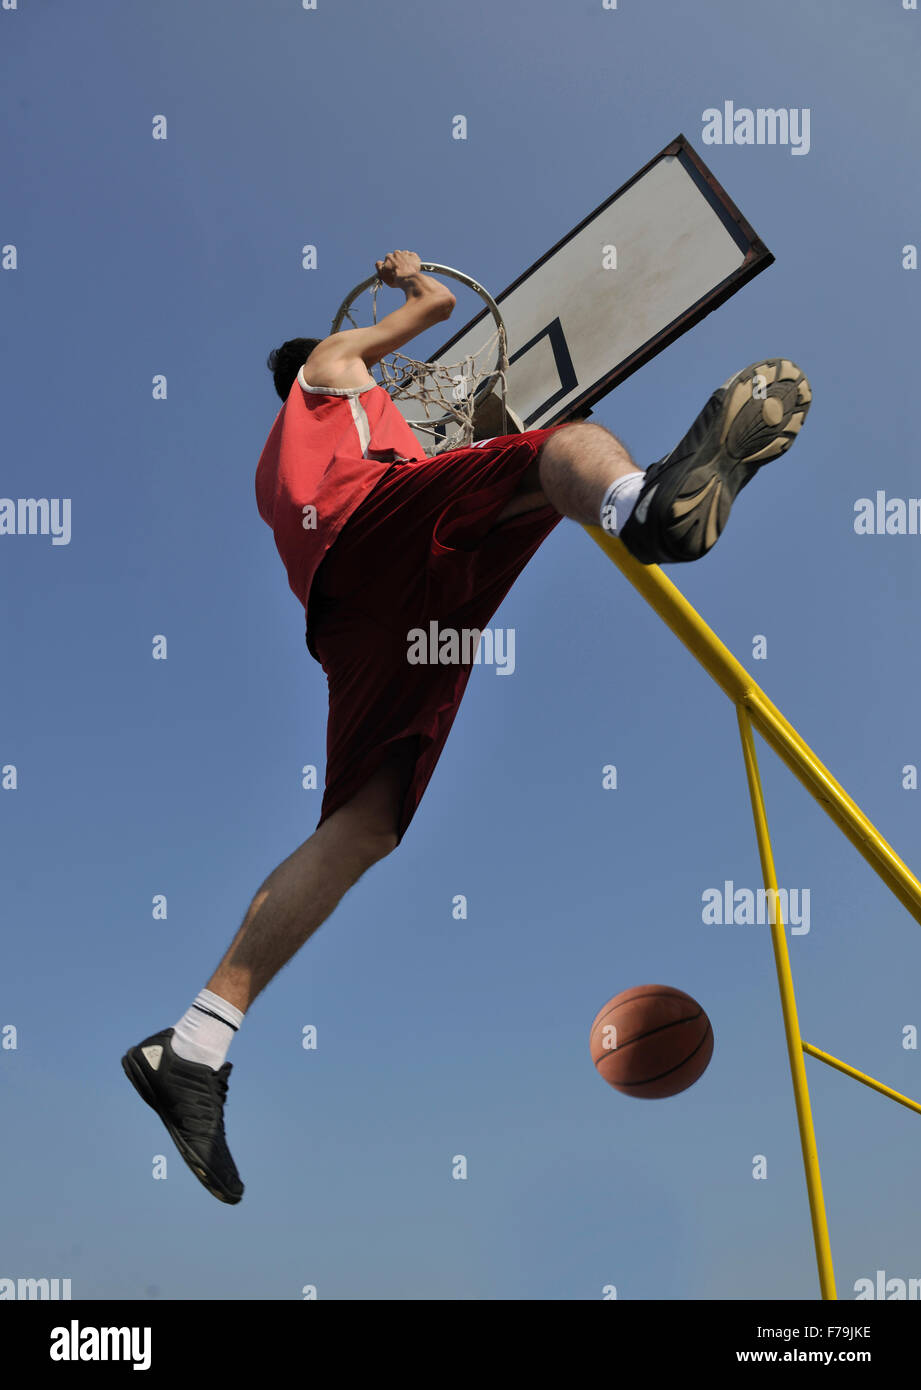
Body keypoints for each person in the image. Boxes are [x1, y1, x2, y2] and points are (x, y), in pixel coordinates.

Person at [122, 251, 812, 1203]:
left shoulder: (275, 466)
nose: (386, 379)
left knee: (365, 826)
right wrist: (409, 277)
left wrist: (462, 446)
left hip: (353, 616)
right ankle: (637, 504)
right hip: (378, 535)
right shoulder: (331, 367)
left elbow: (406, 479)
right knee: (554, 444)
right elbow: (440, 304)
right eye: (381, 372)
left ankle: (194, 1045)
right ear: (336, 369)